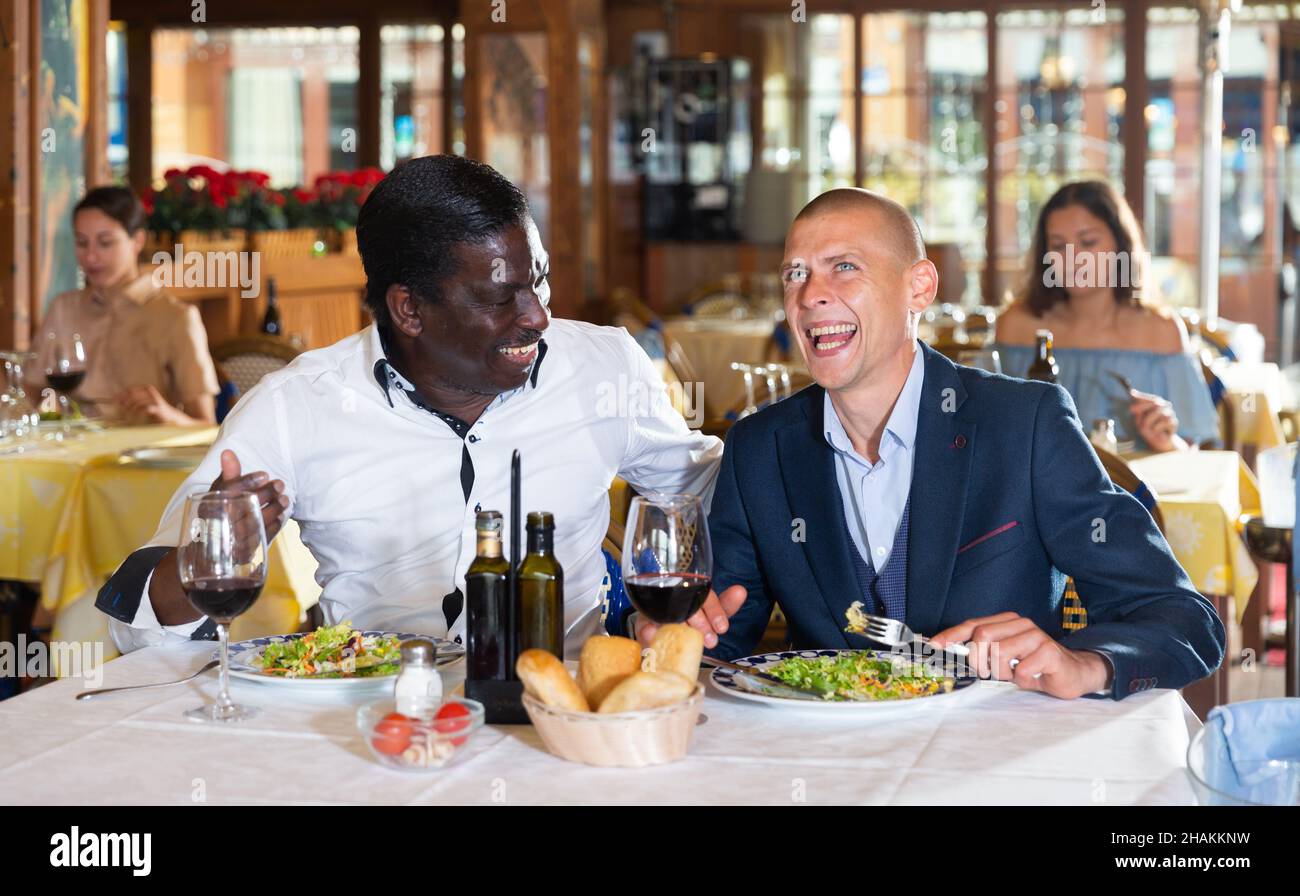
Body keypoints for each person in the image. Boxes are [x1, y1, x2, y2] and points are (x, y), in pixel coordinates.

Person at [97, 155, 722, 653]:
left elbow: (704, 493)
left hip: (564, 712)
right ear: (409, 309)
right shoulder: (297, 406)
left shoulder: (603, 367)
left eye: (541, 280)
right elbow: (137, 632)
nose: (538, 316)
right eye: (501, 297)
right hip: (370, 718)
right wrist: (208, 559)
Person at [639, 188, 1225, 700]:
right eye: (796, 273)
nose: (811, 294)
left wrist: (1086, 664)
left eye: (843, 267)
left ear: (918, 287)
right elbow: (724, 640)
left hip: (992, 765)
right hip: (827, 771)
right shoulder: (757, 448)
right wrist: (686, 636)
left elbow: (1182, 619)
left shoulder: (1025, 425)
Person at [995, 180, 1217, 452]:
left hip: (1137, 493)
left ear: (1121, 246)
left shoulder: (1161, 331)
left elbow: (1195, 458)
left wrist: (1166, 440)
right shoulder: (1017, 326)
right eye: (1058, 245)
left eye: (1087, 242)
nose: (1073, 258)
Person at [31, 186, 219, 424]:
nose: (90, 257)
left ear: (137, 240)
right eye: (81, 243)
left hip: (143, 455)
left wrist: (167, 414)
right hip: (69, 451)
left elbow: (206, 426)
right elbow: (28, 392)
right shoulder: (63, 309)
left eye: (105, 243)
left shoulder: (176, 317)